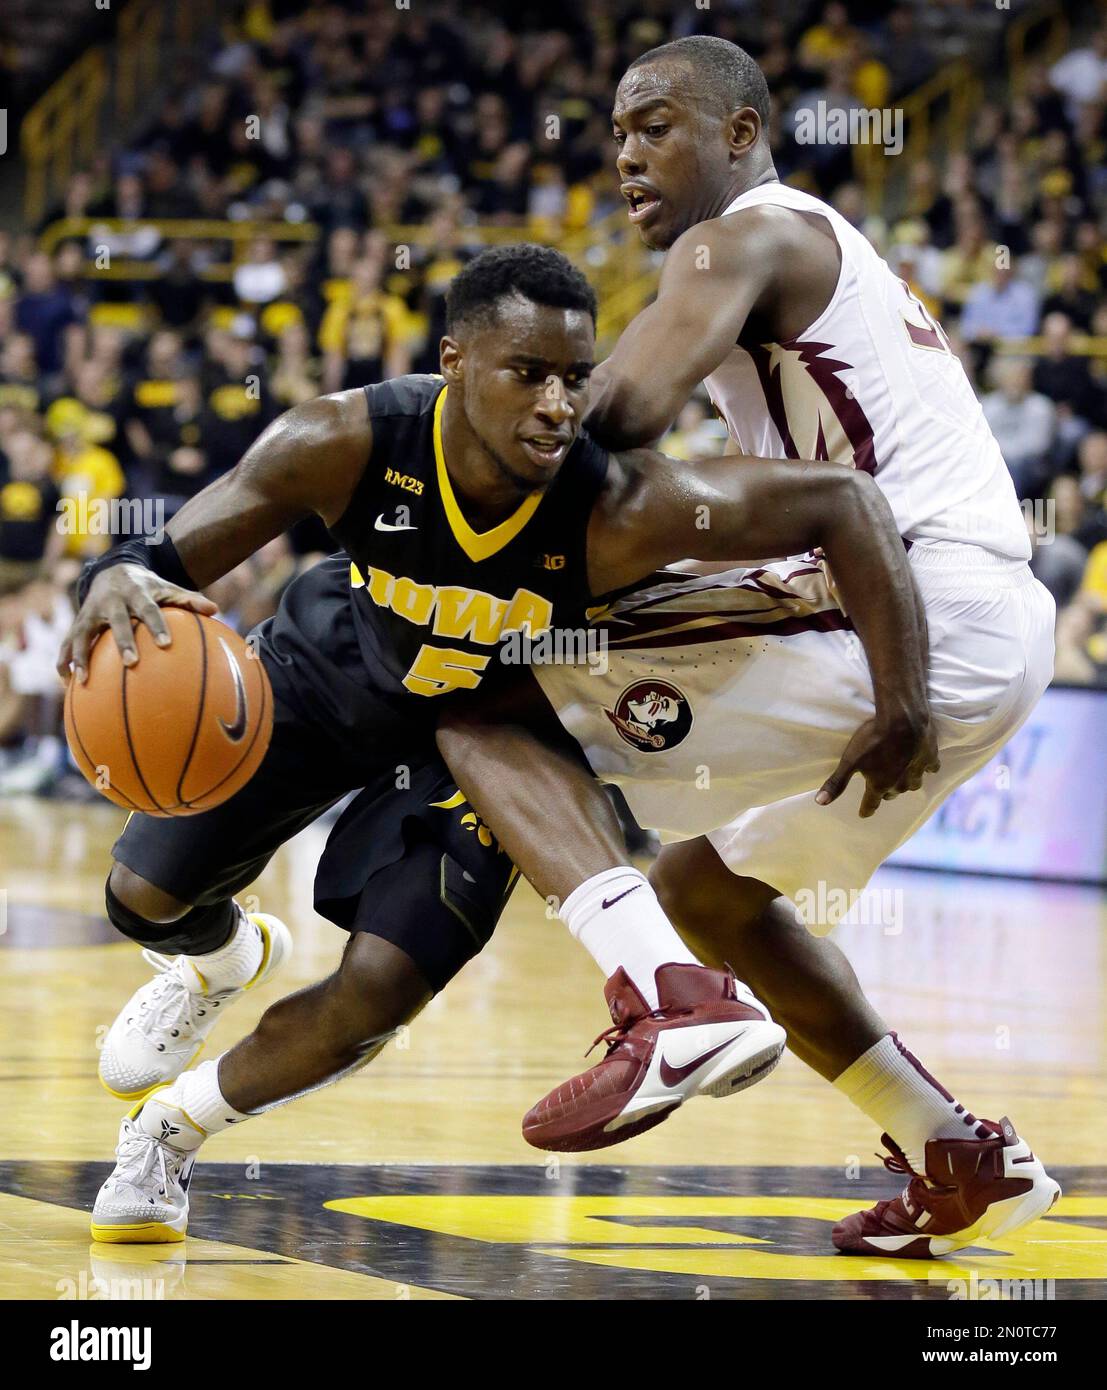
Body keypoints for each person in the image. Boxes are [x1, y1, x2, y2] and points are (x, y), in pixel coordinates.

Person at [62, 244, 931, 1243]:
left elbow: (845, 503)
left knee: (380, 987)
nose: (559, 404)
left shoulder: (619, 503)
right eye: (529, 374)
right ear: (456, 362)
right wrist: (110, 578)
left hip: (473, 738)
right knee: (141, 900)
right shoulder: (342, 438)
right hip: (326, 671)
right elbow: (159, 556)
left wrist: (901, 695)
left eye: (576, 376)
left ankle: (171, 1129)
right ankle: (220, 960)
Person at [429, 35, 1059, 1260]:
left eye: (653, 125)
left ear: (738, 132)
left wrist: (438, 446)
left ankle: (662, 1011)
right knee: (707, 892)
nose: (625, 155)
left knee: (488, 693)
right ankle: (955, 1149)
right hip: (969, 627)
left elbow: (616, 415)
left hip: (915, 601)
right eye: (615, 133)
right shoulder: (805, 260)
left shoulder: (746, 235)